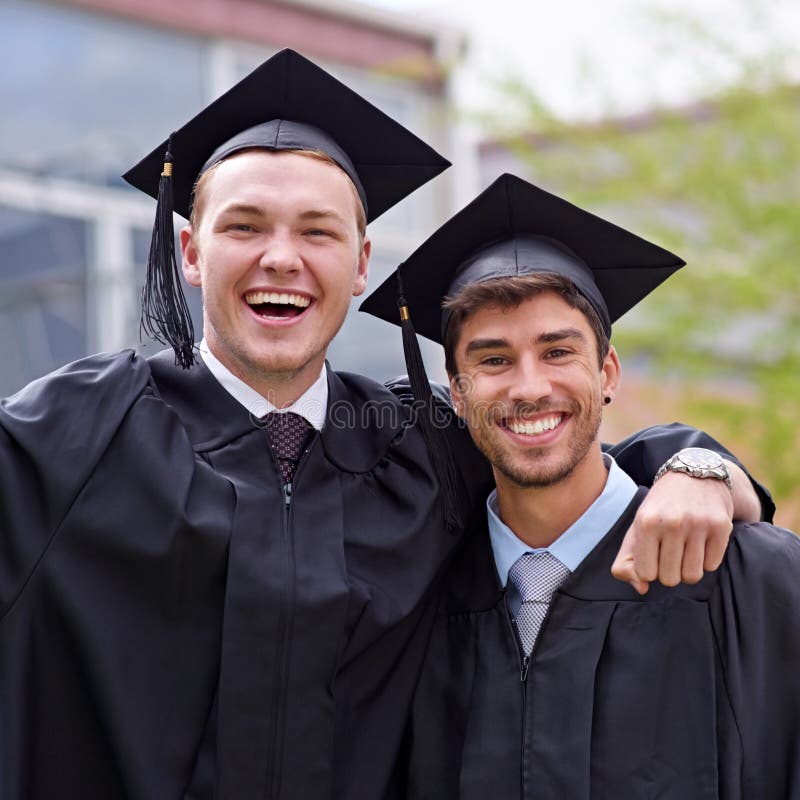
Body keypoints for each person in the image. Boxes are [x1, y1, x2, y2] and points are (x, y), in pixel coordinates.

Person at [0, 53, 767, 800]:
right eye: (245, 227)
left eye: (317, 232)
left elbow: (554, 449)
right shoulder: (79, 431)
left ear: (362, 262)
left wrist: (697, 464)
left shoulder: (417, 445)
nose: (281, 257)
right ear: (192, 253)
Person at [367, 174, 800, 799]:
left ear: (607, 372)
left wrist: (703, 465)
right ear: (457, 397)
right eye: (492, 360)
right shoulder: (418, 595)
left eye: (557, 352)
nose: (529, 387)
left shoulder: (749, 579)